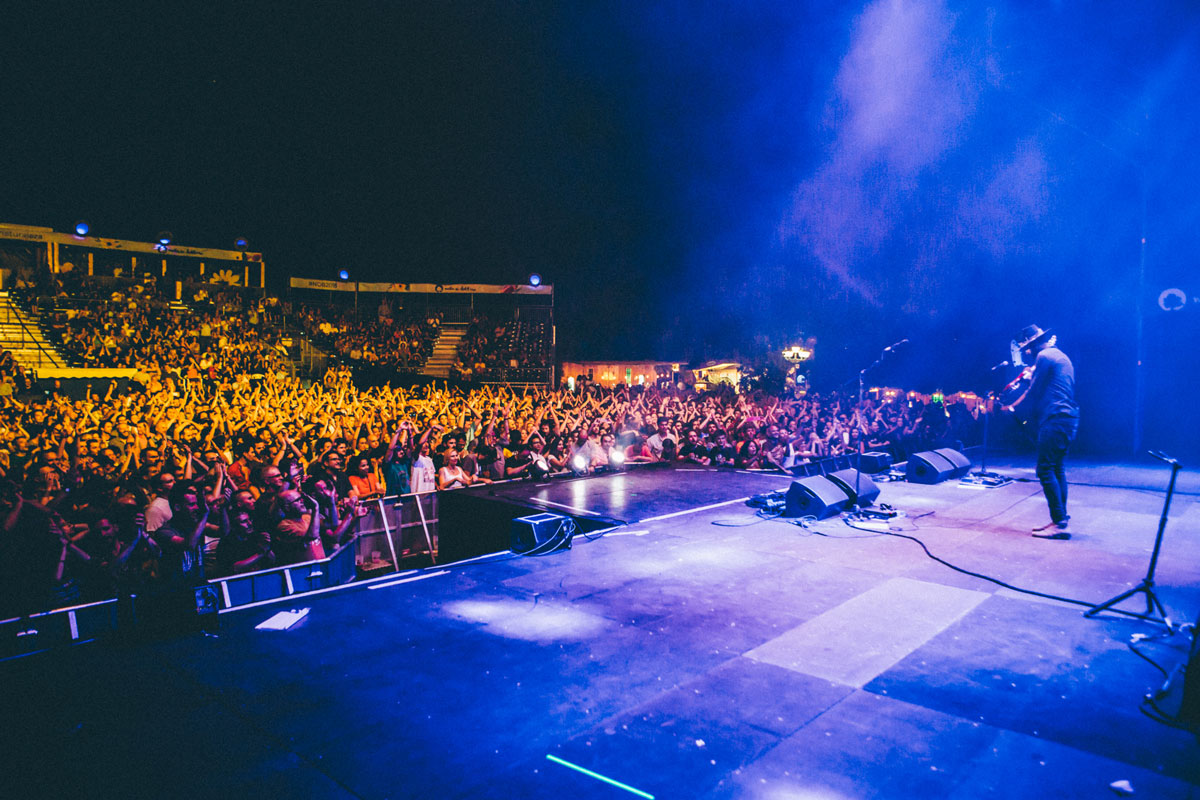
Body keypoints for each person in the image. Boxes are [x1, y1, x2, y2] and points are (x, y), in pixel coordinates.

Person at [1004, 325, 1079, 540]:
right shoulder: (1058, 355)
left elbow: (1034, 392)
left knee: (1045, 470)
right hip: (1067, 417)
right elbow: (1050, 385)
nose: (1027, 352)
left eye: (1027, 348)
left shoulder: (1044, 356)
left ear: (1035, 343)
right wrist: (1032, 376)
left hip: (1055, 417)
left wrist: (1011, 407)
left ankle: (1060, 523)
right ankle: (1060, 520)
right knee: (1056, 468)